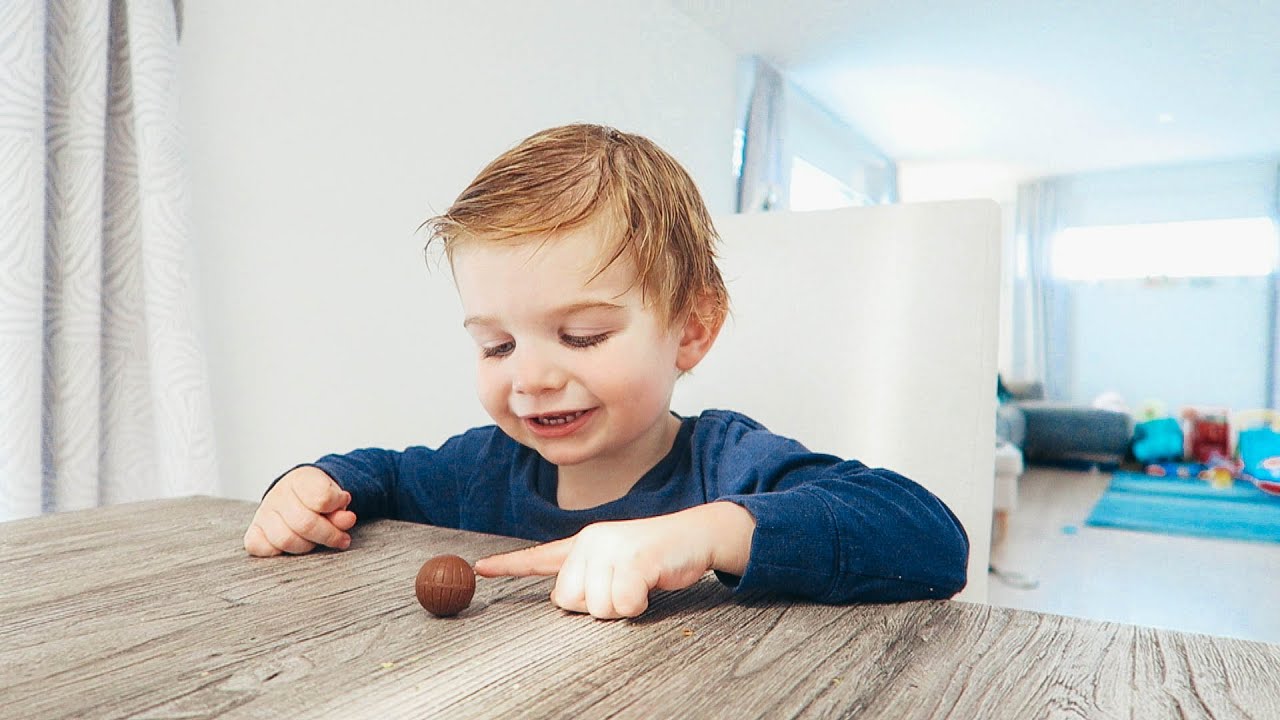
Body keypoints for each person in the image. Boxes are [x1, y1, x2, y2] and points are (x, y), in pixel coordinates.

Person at [243, 123, 968, 619]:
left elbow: (931, 539)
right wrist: (313, 485)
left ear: (691, 331)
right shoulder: (481, 469)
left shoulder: (727, 465)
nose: (529, 378)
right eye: (496, 346)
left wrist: (710, 533)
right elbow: (387, 475)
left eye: (581, 336)